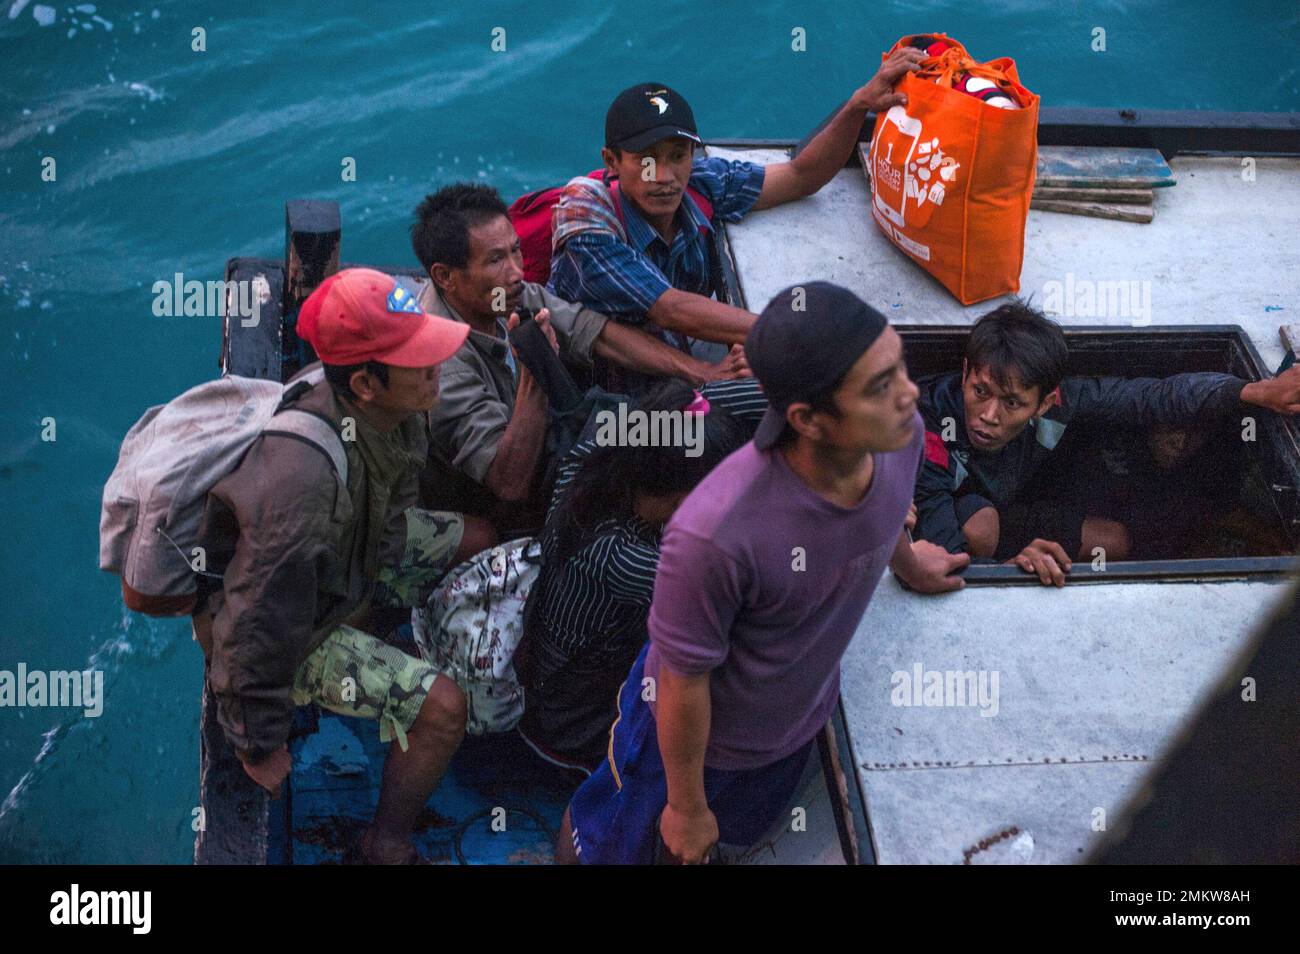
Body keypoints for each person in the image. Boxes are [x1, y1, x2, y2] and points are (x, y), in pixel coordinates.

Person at [555, 282, 969, 865]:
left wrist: (908, 562)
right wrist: (687, 805)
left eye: (900, 368)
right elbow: (681, 681)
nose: (909, 395)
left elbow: (879, 518)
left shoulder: (896, 438)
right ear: (808, 419)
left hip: (798, 723)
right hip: (699, 749)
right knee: (607, 844)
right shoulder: (714, 535)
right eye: (880, 387)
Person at [195, 268, 483, 864]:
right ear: (365, 383)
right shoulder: (299, 487)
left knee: (479, 538)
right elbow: (255, 625)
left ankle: (371, 618)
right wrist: (257, 744)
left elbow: (397, 510)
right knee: (442, 709)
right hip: (292, 627)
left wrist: (373, 596)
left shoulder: (401, 409)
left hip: (350, 562)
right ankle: (386, 843)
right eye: (419, 358)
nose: (436, 366)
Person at [548, 47, 926, 394]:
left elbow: (800, 176)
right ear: (611, 162)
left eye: (677, 156)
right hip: (599, 389)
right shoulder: (586, 215)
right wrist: (793, 334)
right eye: (646, 160)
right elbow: (670, 308)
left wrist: (857, 105)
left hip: (677, 350)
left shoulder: (701, 183)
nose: (663, 176)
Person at [410, 183, 749, 536]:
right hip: (503, 502)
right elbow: (509, 484)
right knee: (668, 458)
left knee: (693, 426)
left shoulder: (500, 296)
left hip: (552, 439)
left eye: (516, 251)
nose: (516, 273)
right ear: (444, 277)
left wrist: (702, 372)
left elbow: (597, 334)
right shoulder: (441, 362)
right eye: (495, 260)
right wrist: (535, 375)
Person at [912, 300, 1300, 585]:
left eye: (1012, 402)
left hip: (1017, 503)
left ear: (1044, 402)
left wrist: (1253, 392)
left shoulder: (1063, 403)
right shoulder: (928, 425)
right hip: (966, 512)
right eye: (980, 391)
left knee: (1114, 540)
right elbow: (940, 548)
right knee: (981, 529)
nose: (989, 415)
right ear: (965, 372)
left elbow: (1150, 397)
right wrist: (1009, 571)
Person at [516, 378, 765, 774]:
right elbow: (749, 594)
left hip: (555, 671)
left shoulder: (605, 451)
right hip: (570, 719)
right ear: (686, 496)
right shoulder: (620, 558)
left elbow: (704, 404)